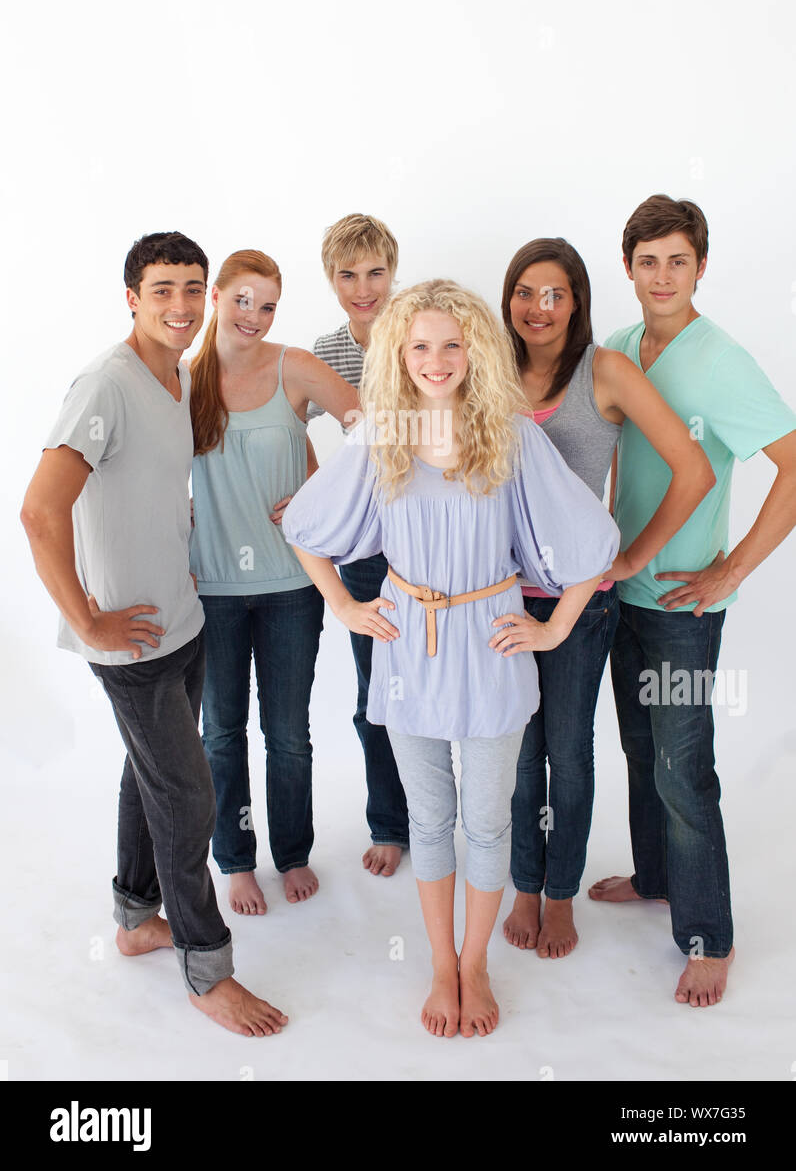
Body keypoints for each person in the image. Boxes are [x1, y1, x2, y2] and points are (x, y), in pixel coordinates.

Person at [283, 279, 620, 1037]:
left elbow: (591, 540)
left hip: (492, 640)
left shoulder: (510, 433)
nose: (437, 360)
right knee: (431, 819)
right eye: (421, 346)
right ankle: (441, 965)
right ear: (401, 354)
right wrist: (342, 604)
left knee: (489, 822)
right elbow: (307, 527)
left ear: (475, 351)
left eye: (452, 344)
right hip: (408, 646)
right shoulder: (382, 434)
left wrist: (556, 629)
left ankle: (477, 965)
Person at [20, 232, 287, 1037]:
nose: (180, 304)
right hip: (129, 643)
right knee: (188, 795)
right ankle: (207, 972)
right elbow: (39, 511)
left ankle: (137, 918)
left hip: (183, 618)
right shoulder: (105, 383)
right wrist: (88, 619)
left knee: (151, 777)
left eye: (192, 288)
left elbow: (150, 488)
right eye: (162, 288)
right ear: (131, 297)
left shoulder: (174, 376)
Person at [589, 194, 796, 1007]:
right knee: (640, 750)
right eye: (648, 262)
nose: (663, 276)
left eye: (679, 260)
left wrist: (733, 569)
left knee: (682, 767)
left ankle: (710, 935)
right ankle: (656, 877)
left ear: (701, 266)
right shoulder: (617, 349)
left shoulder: (724, 362)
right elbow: (617, 459)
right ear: (630, 269)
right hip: (619, 593)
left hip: (682, 605)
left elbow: (793, 463)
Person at [499, 238, 714, 959]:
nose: (540, 308)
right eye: (526, 293)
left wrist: (629, 558)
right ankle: (524, 885)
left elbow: (692, 468)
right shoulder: (488, 371)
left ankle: (561, 896)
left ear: (578, 302)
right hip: (501, 599)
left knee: (568, 752)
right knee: (520, 757)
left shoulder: (607, 372)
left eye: (556, 294)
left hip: (578, 606)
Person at [189, 249, 359, 915]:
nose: (254, 316)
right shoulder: (185, 379)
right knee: (221, 732)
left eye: (267, 305)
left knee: (287, 732)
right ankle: (235, 862)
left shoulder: (294, 366)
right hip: (212, 590)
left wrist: (323, 495)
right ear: (215, 298)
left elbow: (373, 431)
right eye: (242, 300)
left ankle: (291, 854)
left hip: (294, 586)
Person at [306, 214, 410, 878]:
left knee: (453, 684)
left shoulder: (421, 333)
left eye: (375, 272)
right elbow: (285, 424)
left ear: (392, 272)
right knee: (377, 692)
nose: (363, 287)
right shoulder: (325, 350)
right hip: (366, 551)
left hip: (435, 540)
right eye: (349, 275)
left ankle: (460, 821)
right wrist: (315, 501)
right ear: (332, 279)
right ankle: (391, 824)